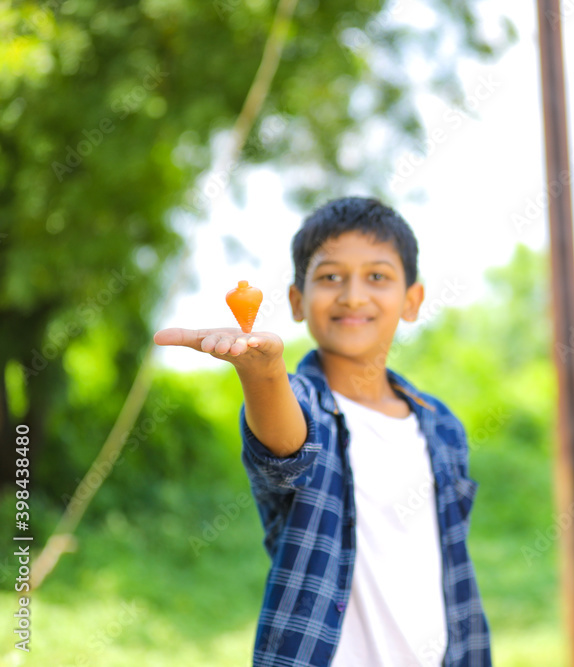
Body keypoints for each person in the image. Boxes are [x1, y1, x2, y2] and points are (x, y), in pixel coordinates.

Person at [154, 197, 491, 666]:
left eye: (377, 276)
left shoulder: (442, 425)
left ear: (412, 300)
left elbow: (451, 560)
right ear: (297, 300)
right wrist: (263, 374)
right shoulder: (298, 402)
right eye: (330, 277)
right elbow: (286, 447)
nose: (352, 296)